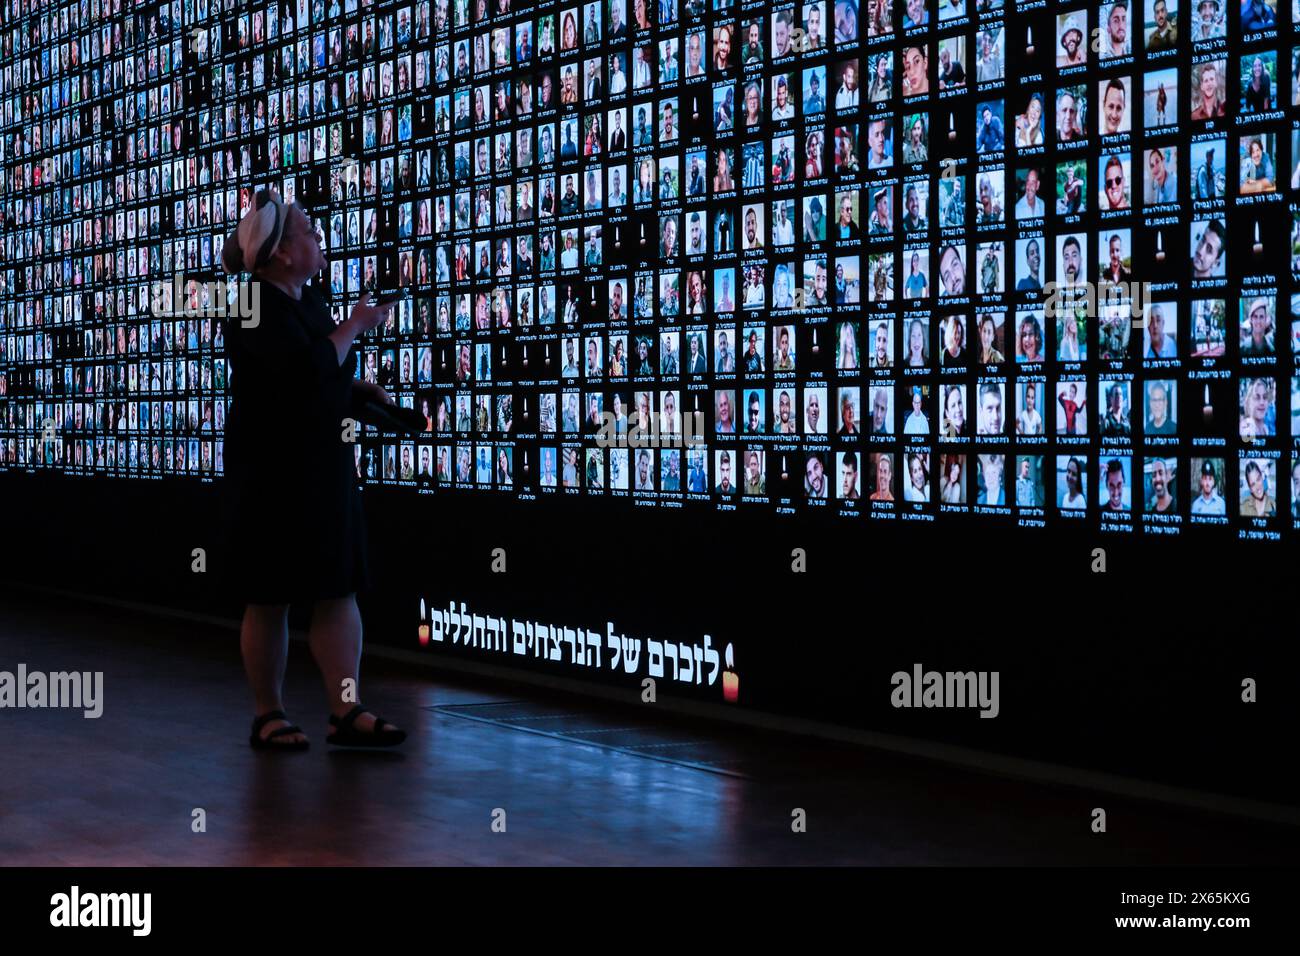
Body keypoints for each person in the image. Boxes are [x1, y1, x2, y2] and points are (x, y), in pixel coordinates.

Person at [220, 190, 407, 750]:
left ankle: (345, 710)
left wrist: (358, 390)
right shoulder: (251, 306)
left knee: (338, 589)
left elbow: (321, 373)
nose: (318, 236)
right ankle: (268, 714)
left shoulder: (309, 301)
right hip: (272, 477)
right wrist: (353, 327)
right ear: (280, 253)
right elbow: (298, 375)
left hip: (324, 473)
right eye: (307, 230)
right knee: (269, 595)